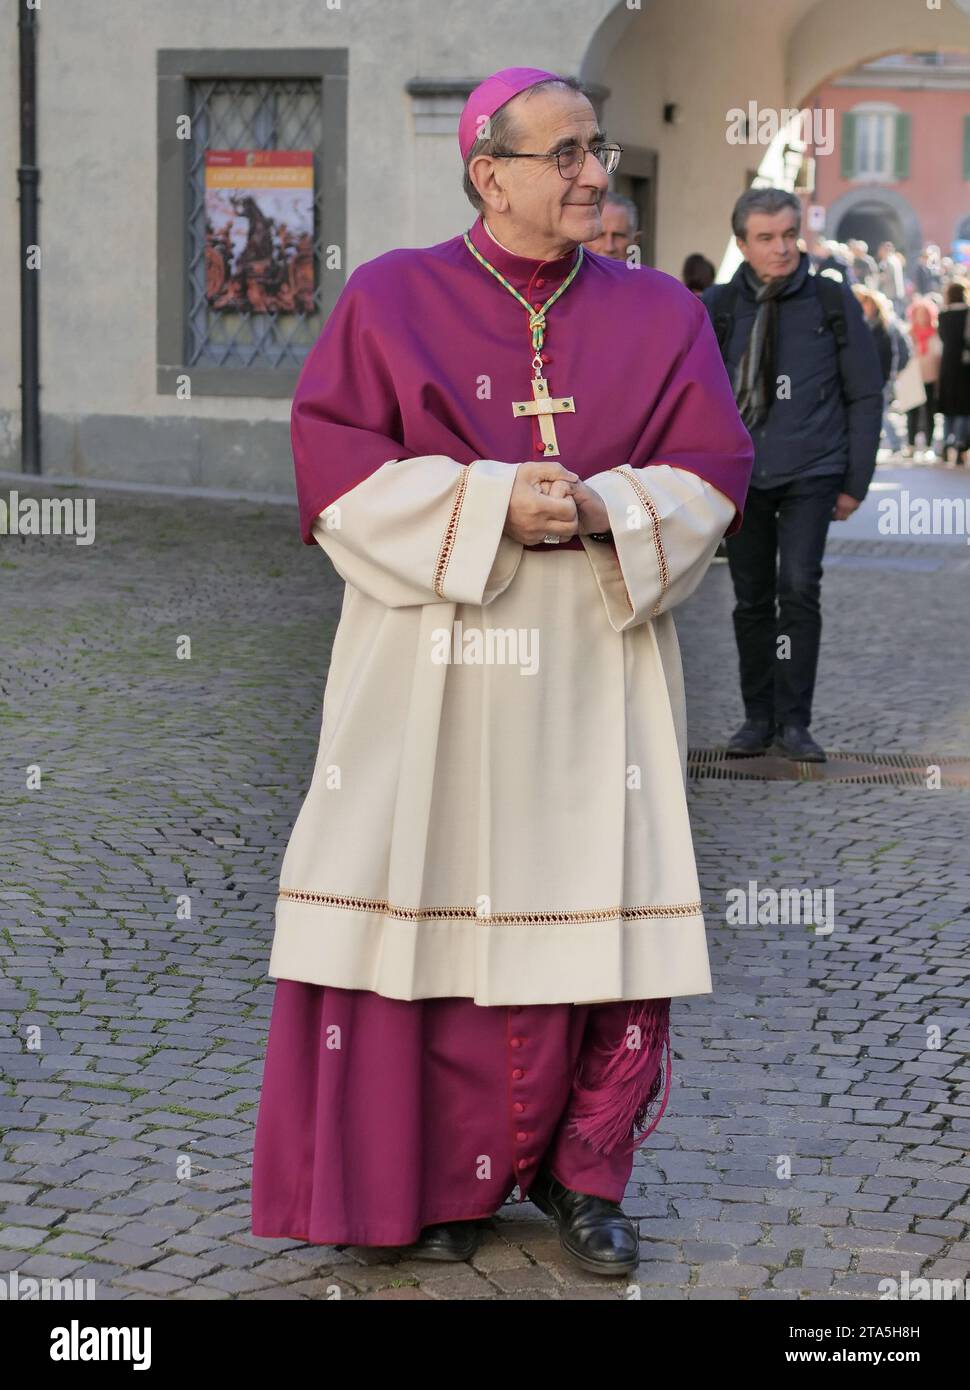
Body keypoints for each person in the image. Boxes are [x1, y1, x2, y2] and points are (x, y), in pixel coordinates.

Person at [250, 67, 753, 1278]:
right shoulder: (389, 297)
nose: (596, 174)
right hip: (435, 664)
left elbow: (712, 466)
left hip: (595, 664)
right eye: (568, 155)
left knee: (600, 918)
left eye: (598, 151)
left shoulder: (659, 314)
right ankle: (442, 1178)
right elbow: (332, 471)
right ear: (491, 174)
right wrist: (484, 500)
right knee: (430, 912)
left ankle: (585, 1178)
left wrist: (599, 506)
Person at [701, 187, 883, 762]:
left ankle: (796, 723)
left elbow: (866, 392)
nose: (782, 249)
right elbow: (696, 396)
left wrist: (856, 480)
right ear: (741, 244)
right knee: (751, 598)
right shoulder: (720, 305)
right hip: (744, 475)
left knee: (799, 590)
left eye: (789, 235)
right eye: (766, 238)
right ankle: (758, 718)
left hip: (814, 469)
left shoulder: (832, 301)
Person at [852, 284, 909, 456]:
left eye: (866, 303)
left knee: (881, 413)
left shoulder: (884, 326)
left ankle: (896, 443)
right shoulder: (861, 324)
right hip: (864, 377)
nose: (864, 307)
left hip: (880, 377)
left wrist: (889, 376)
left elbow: (892, 353)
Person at [903, 297, 942, 459]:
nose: (922, 317)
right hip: (913, 378)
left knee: (929, 412)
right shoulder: (909, 334)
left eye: (925, 314)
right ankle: (911, 444)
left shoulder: (936, 333)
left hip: (931, 377)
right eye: (919, 314)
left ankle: (928, 445)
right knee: (912, 412)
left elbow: (939, 354)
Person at [937, 279, 970, 465]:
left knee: (949, 406)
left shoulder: (944, 315)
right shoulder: (967, 313)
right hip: (965, 365)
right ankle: (960, 443)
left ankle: (947, 441)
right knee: (964, 407)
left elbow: (942, 337)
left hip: (948, 364)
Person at [584, 190, 640, 262]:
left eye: (618, 236)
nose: (609, 248)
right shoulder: (566, 273)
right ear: (582, 240)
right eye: (599, 236)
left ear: (635, 241)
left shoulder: (651, 273)